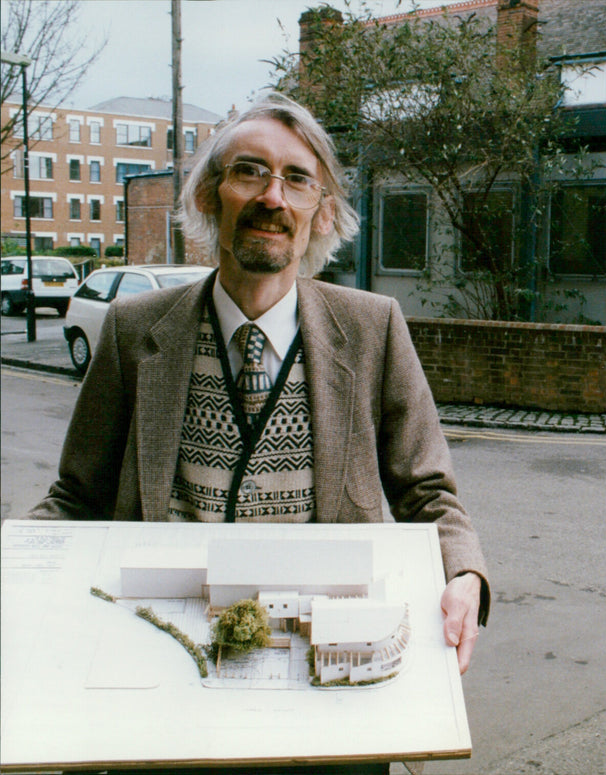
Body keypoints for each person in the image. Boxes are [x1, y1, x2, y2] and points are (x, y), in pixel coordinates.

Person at [29, 92, 488, 775]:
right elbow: (75, 496)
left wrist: (465, 575)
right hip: (161, 697)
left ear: (321, 211)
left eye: (297, 179)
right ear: (209, 196)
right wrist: (20, 569)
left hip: (327, 707)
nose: (273, 196)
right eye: (249, 171)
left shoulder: (373, 329)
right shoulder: (133, 331)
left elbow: (429, 492)